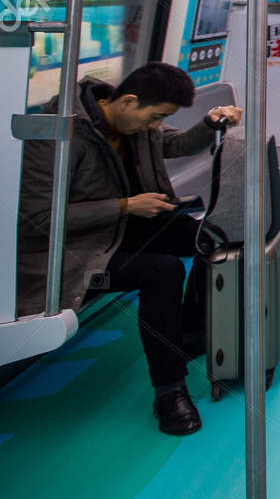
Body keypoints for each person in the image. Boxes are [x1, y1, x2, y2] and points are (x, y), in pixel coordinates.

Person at [16, 63, 242, 436]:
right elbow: (35, 218)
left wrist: (209, 122)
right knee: (163, 272)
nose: (155, 127)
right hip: (76, 255)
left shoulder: (134, 122)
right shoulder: (56, 134)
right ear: (129, 100)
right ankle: (170, 391)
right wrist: (125, 206)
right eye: (155, 118)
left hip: (124, 231)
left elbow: (177, 143)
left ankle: (184, 334)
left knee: (213, 237)